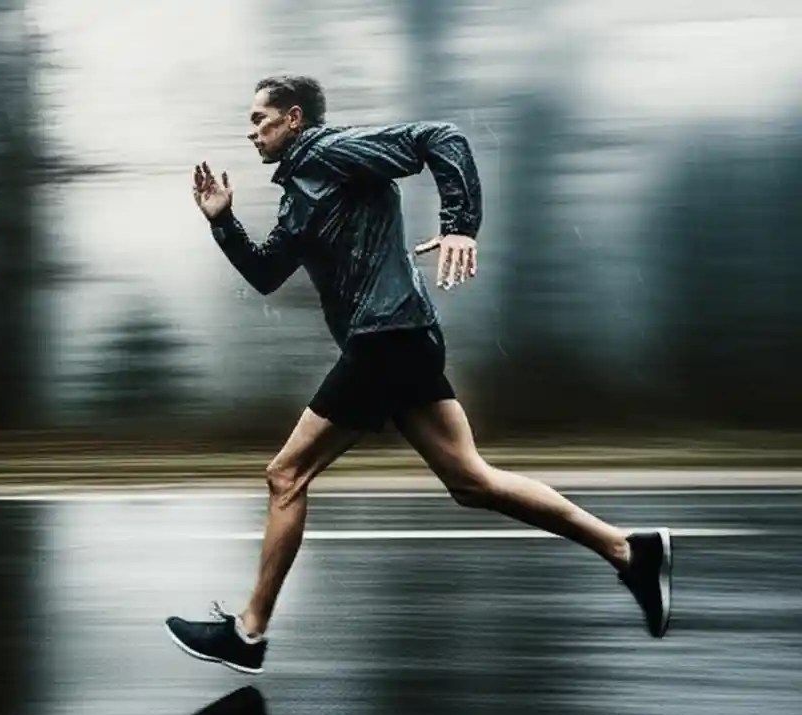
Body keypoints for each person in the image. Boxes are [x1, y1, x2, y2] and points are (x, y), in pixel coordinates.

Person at [163, 75, 672, 675]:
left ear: (293, 118)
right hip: (400, 340)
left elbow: (441, 138)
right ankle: (630, 552)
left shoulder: (331, 150)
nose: (250, 132)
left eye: (259, 119)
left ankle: (249, 634)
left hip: (387, 338)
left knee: (286, 475)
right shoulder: (299, 190)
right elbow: (268, 273)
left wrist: (461, 222)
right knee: (472, 482)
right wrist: (222, 222)